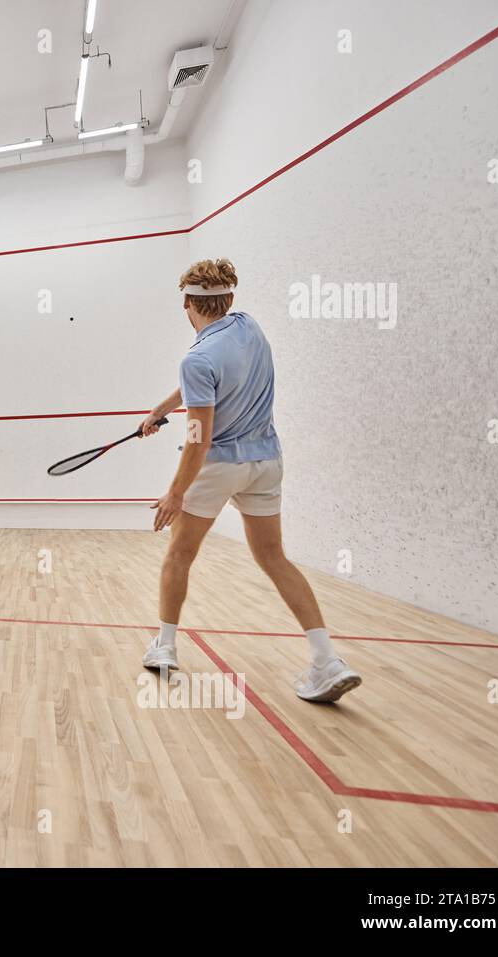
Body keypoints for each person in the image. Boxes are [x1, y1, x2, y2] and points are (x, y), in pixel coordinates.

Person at [139, 259, 361, 703]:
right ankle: (327, 661)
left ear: (186, 304)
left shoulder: (196, 358)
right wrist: (162, 409)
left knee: (179, 554)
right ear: (230, 299)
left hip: (218, 465)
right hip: (265, 462)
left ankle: (164, 646)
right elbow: (201, 382)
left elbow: (199, 438)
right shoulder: (249, 327)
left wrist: (175, 494)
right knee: (274, 557)